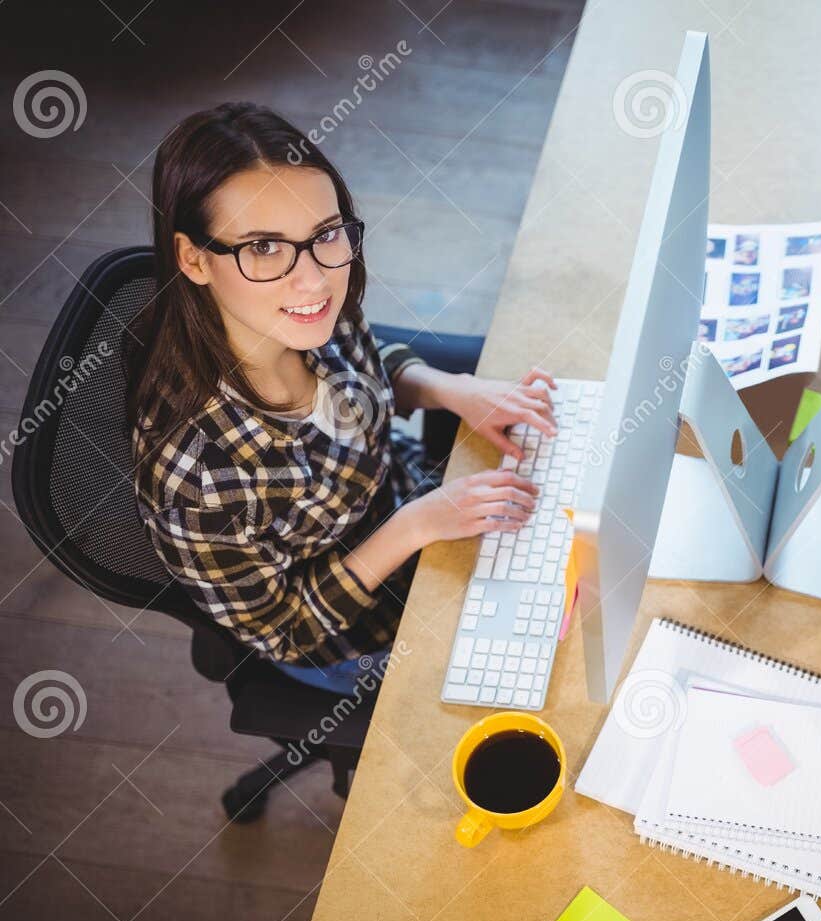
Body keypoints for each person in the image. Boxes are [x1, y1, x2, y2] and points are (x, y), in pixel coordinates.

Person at [128, 102, 557, 696]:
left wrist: (450, 389)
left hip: (416, 503)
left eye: (325, 234)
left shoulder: (314, 311)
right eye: (263, 248)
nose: (313, 278)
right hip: (359, 634)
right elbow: (287, 632)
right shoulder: (197, 475)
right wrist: (416, 527)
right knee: (554, 668)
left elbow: (368, 358)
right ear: (194, 259)